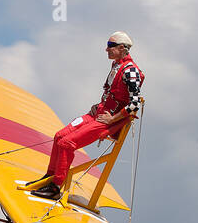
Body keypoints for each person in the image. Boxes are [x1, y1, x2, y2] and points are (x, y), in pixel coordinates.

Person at [30, 32, 144, 200]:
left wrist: (112, 119)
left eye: (110, 46)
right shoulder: (116, 65)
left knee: (67, 143)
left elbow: (135, 104)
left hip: (109, 121)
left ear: (121, 48)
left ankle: (55, 187)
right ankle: (50, 177)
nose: (106, 49)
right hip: (98, 114)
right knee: (59, 136)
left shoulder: (131, 71)